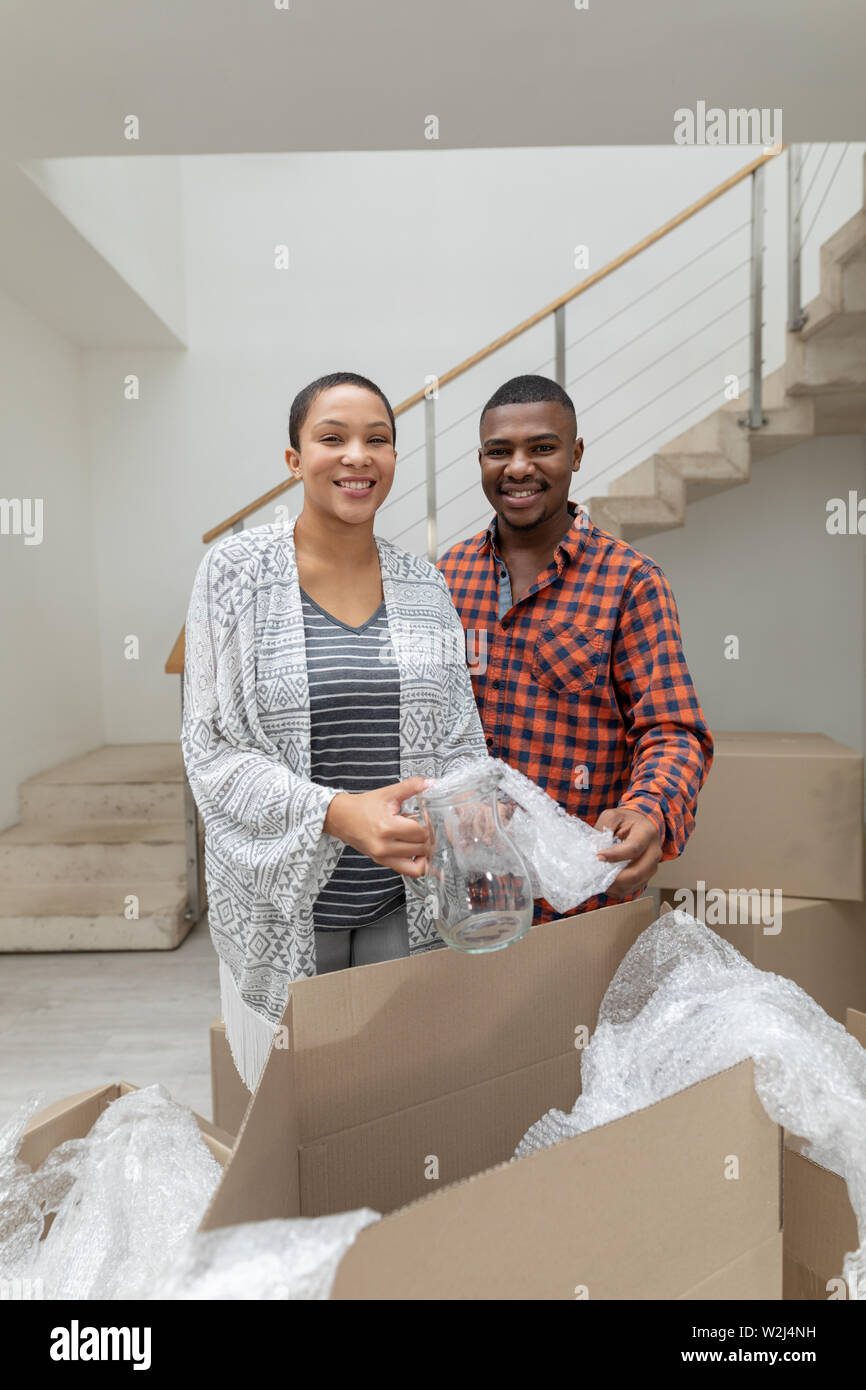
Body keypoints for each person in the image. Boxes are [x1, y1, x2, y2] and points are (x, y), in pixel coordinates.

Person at [181, 371, 488, 1090]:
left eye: (377, 440)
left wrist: (473, 802)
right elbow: (211, 747)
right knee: (295, 1110)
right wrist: (335, 813)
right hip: (282, 907)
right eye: (333, 438)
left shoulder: (425, 586)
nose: (358, 456)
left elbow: (458, 733)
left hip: (400, 900)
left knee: (383, 1098)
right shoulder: (234, 575)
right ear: (294, 459)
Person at [436, 374, 714, 922]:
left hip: (579, 902)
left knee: (572, 1014)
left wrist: (650, 809)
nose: (518, 468)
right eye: (500, 452)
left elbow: (673, 730)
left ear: (576, 454)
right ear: (482, 460)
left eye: (542, 448)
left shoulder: (630, 582)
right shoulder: (443, 577)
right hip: (465, 895)